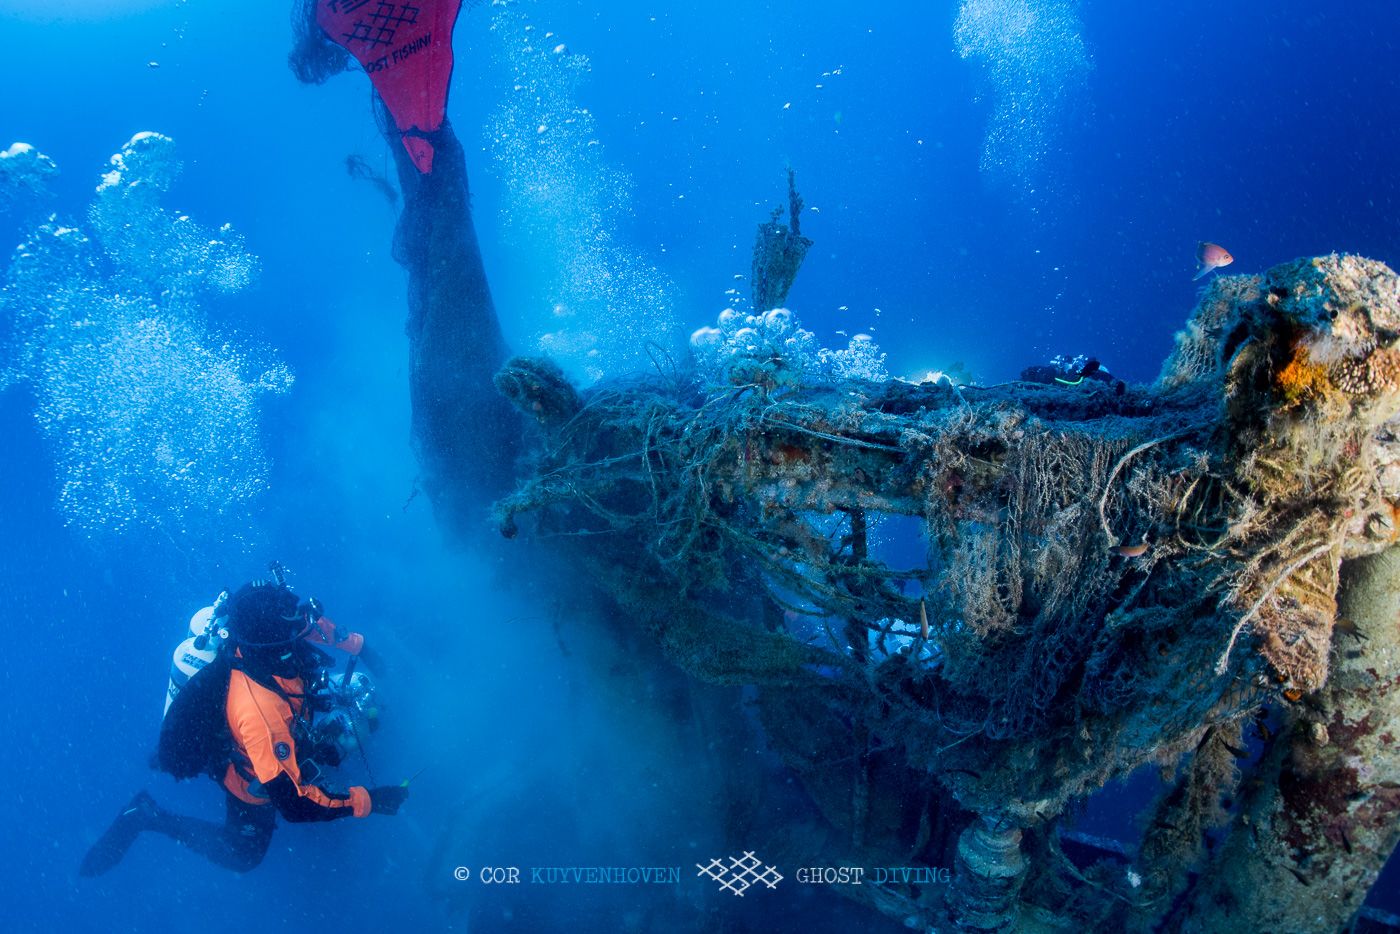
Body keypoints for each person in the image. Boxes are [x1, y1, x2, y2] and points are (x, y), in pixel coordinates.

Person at [79, 580, 408, 876]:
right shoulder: (259, 713)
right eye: (294, 627)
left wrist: (361, 647)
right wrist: (367, 801)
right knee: (242, 855)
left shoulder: (265, 627)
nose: (303, 626)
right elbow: (294, 805)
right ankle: (147, 816)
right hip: (246, 775)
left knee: (317, 743)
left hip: (274, 724)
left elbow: (307, 624)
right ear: (274, 645)